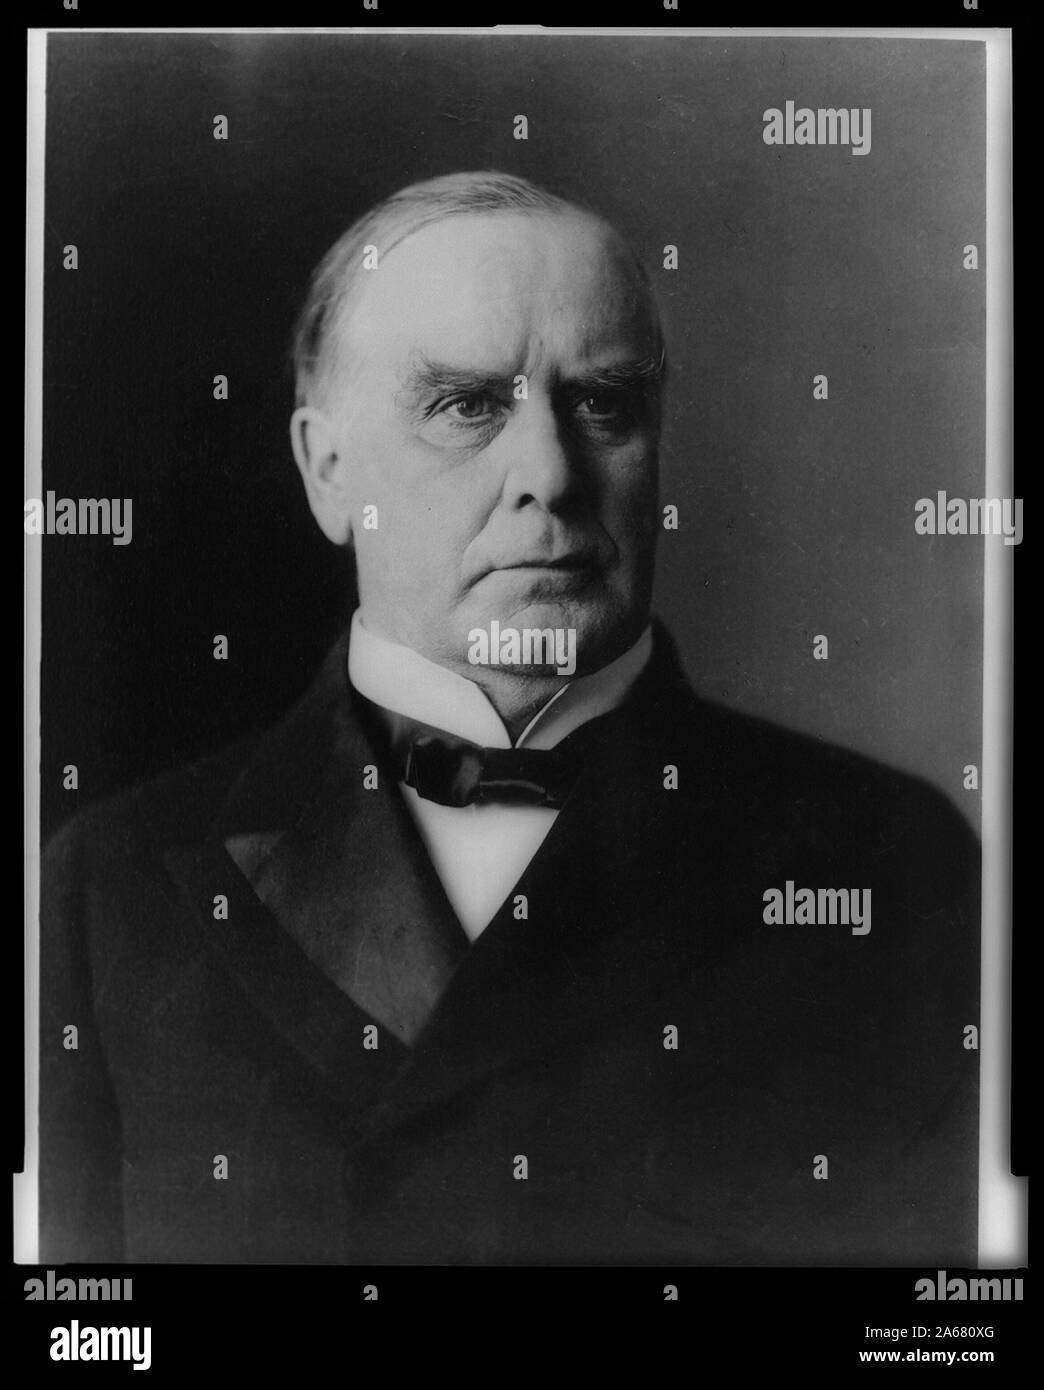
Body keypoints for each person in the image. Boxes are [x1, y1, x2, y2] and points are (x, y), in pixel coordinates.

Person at [38, 171, 980, 1266]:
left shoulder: (894, 867)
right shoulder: (104, 892)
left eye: (605, 405)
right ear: (326, 469)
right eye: (466, 405)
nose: (549, 473)